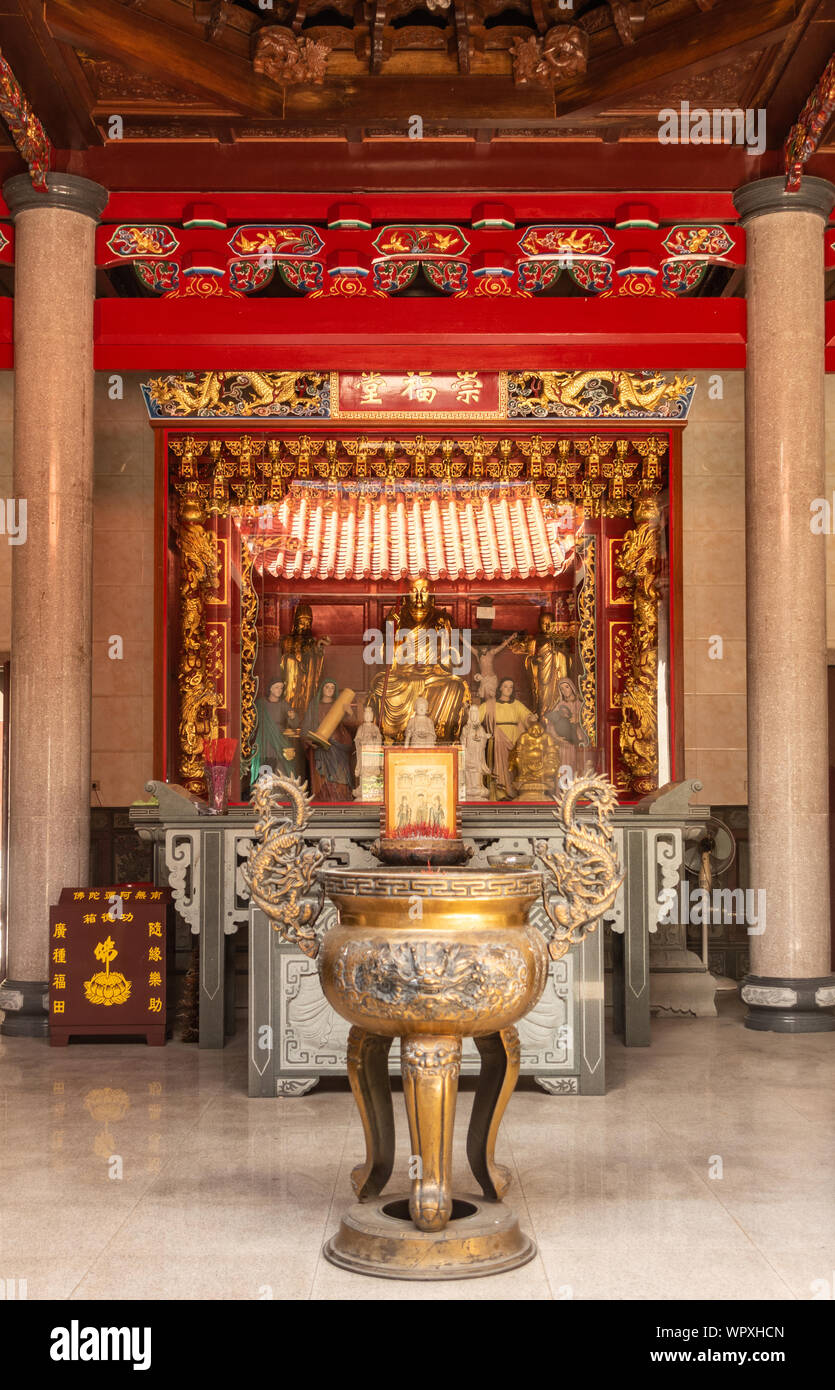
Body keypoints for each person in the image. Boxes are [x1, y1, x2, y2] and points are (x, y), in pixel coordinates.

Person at [367, 579, 470, 742]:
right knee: (381, 685)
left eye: (425, 591)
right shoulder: (396, 617)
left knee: (454, 686)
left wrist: (444, 636)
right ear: (407, 594)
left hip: (432, 674)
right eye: (414, 591)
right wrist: (391, 629)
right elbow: (386, 660)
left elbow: (451, 661)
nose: (420, 596)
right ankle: (395, 734)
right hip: (403, 674)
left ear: (432, 594)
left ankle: (439, 733)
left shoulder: (443, 619)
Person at [479, 678, 535, 800]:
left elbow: (526, 715)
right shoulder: (491, 704)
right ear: (500, 688)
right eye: (505, 686)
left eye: (511, 687)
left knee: (514, 766)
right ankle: (501, 793)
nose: (508, 689)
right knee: (501, 765)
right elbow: (477, 715)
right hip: (499, 737)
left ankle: (513, 791)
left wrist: (531, 718)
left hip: (514, 737)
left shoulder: (516, 704)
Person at [301, 678, 356, 801]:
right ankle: (324, 800)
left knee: (340, 775)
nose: (330, 690)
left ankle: (340, 800)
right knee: (322, 777)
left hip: (338, 746)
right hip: (320, 746)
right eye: (327, 687)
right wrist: (309, 741)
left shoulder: (340, 704)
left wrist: (350, 714)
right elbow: (306, 726)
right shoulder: (314, 706)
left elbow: (352, 726)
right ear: (322, 689)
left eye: (332, 687)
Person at [279, 602, 329, 722]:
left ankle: (304, 722)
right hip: (291, 677)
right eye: (302, 623)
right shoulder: (287, 640)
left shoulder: (312, 642)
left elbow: (317, 661)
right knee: (290, 697)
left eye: (308, 623)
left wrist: (318, 648)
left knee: (307, 700)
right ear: (296, 623)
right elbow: (283, 658)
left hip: (306, 680)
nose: (304, 626)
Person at [511, 613, 569, 718]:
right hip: (542, 678)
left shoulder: (559, 640)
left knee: (557, 697)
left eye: (549, 623)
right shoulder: (535, 642)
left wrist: (559, 654)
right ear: (539, 625)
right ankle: (542, 715)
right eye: (544, 623)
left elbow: (566, 658)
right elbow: (528, 660)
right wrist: (534, 660)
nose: (547, 626)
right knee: (543, 699)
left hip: (556, 675)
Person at [250, 679, 301, 783]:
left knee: (282, 765)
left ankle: (280, 792)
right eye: (277, 687)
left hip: (279, 739)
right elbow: (251, 721)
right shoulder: (261, 703)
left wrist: (292, 717)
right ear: (270, 688)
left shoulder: (283, 704)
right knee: (266, 764)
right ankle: (265, 791)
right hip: (265, 739)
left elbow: (295, 724)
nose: (279, 690)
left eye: (281, 688)